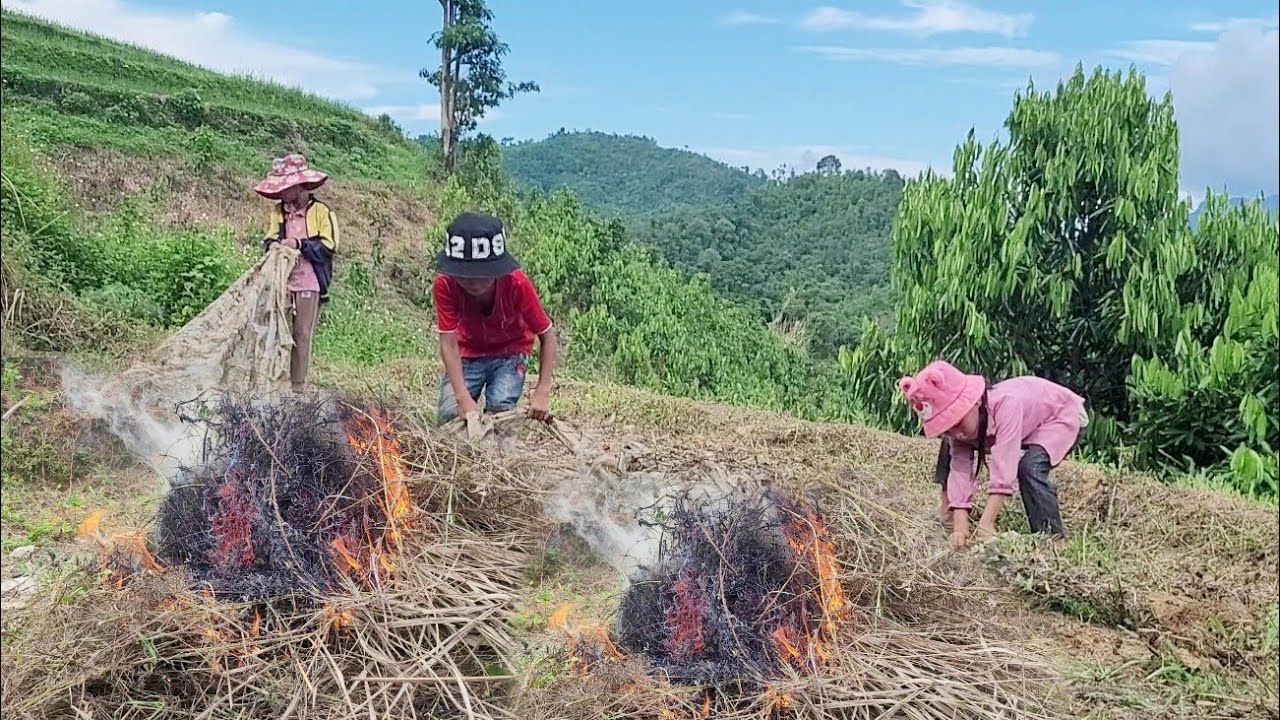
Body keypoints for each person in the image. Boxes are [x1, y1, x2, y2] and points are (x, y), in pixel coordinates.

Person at [897, 359, 1088, 550]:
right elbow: (960, 470)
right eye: (947, 428)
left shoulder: (1006, 405)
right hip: (1028, 420)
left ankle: (1053, 539)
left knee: (1030, 467)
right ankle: (947, 514)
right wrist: (960, 529)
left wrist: (986, 525)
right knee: (949, 445)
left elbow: (1004, 467)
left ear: (975, 402)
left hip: (1059, 414)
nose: (957, 433)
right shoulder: (961, 428)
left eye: (957, 423)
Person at [433, 211, 558, 430]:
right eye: (464, 275)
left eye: (483, 275)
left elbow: (547, 335)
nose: (473, 283)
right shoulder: (445, 284)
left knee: (502, 409)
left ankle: (499, 460)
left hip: (510, 351)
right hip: (467, 351)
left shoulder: (516, 283)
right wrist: (462, 398)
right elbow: (448, 342)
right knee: (449, 412)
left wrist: (542, 390)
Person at [254, 154, 338, 391]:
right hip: (283, 279)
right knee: (278, 330)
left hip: (309, 280)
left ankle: (298, 386)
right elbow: (270, 237)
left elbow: (329, 246)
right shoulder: (279, 212)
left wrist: (300, 244)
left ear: (298, 186)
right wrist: (275, 245)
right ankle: (275, 381)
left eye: (285, 188)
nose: (282, 194)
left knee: (301, 334)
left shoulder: (321, 212)